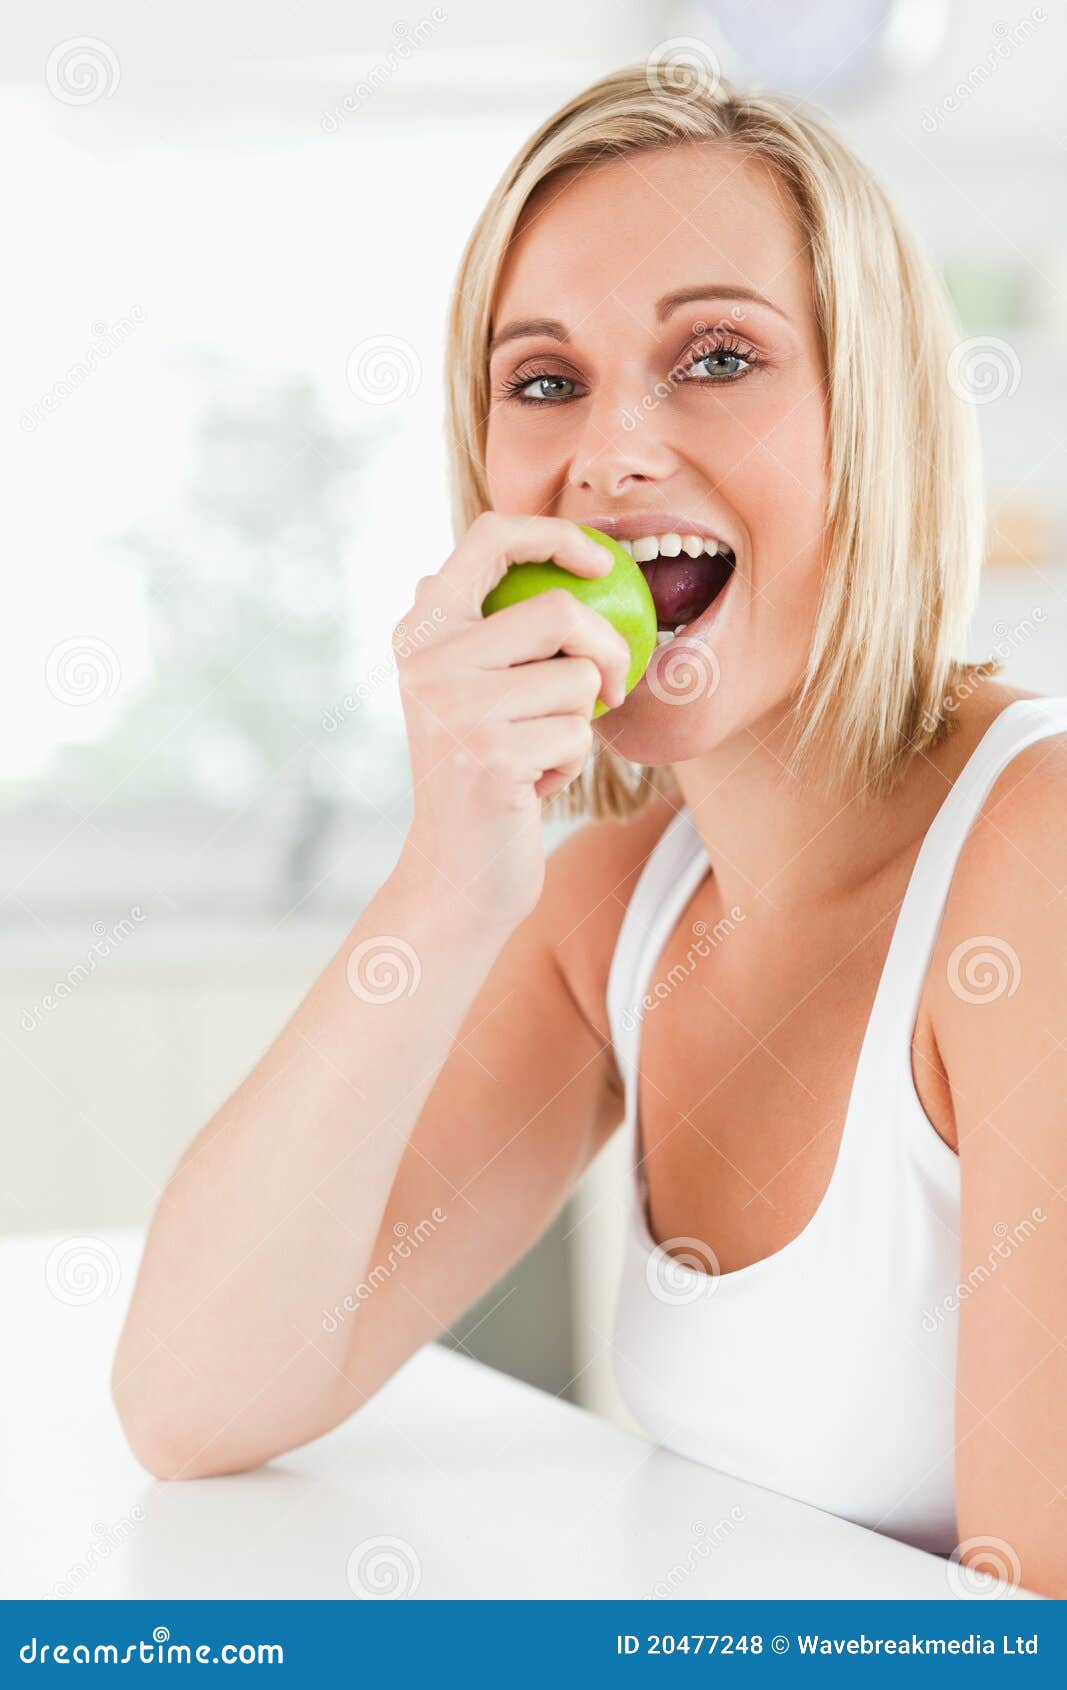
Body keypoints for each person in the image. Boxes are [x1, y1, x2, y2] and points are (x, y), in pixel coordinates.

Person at [112, 64, 1067, 1597]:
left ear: (869, 421)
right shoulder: (613, 908)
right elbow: (194, 1398)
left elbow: (1035, 1624)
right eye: (545, 381)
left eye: (717, 356)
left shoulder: (1036, 863)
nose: (614, 452)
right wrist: (446, 874)